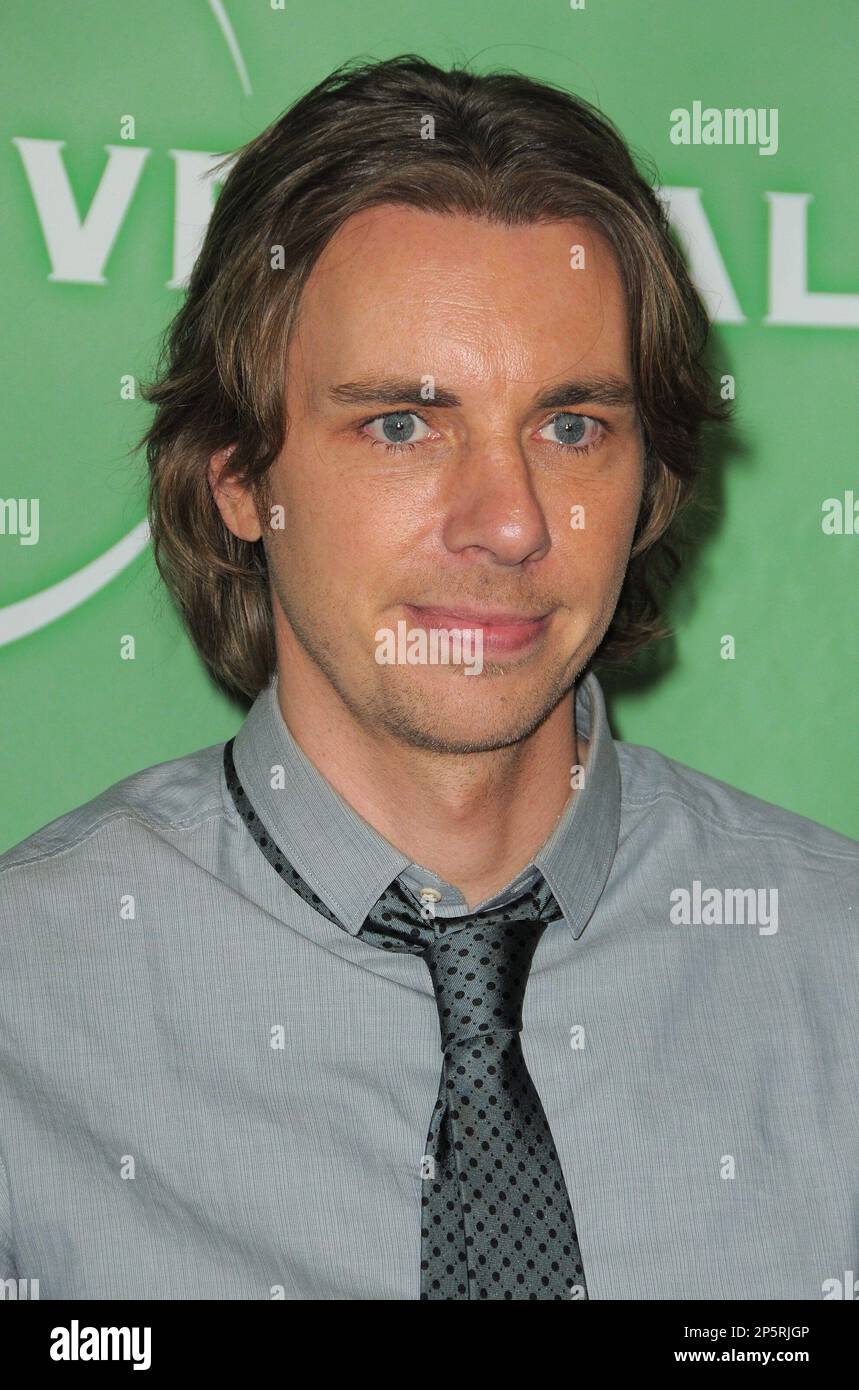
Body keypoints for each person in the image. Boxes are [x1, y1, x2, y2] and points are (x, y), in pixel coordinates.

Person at [1, 54, 856, 1302]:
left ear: (650, 482)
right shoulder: (28, 1006)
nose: (507, 522)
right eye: (402, 424)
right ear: (237, 476)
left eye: (572, 427)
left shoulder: (834, 973)